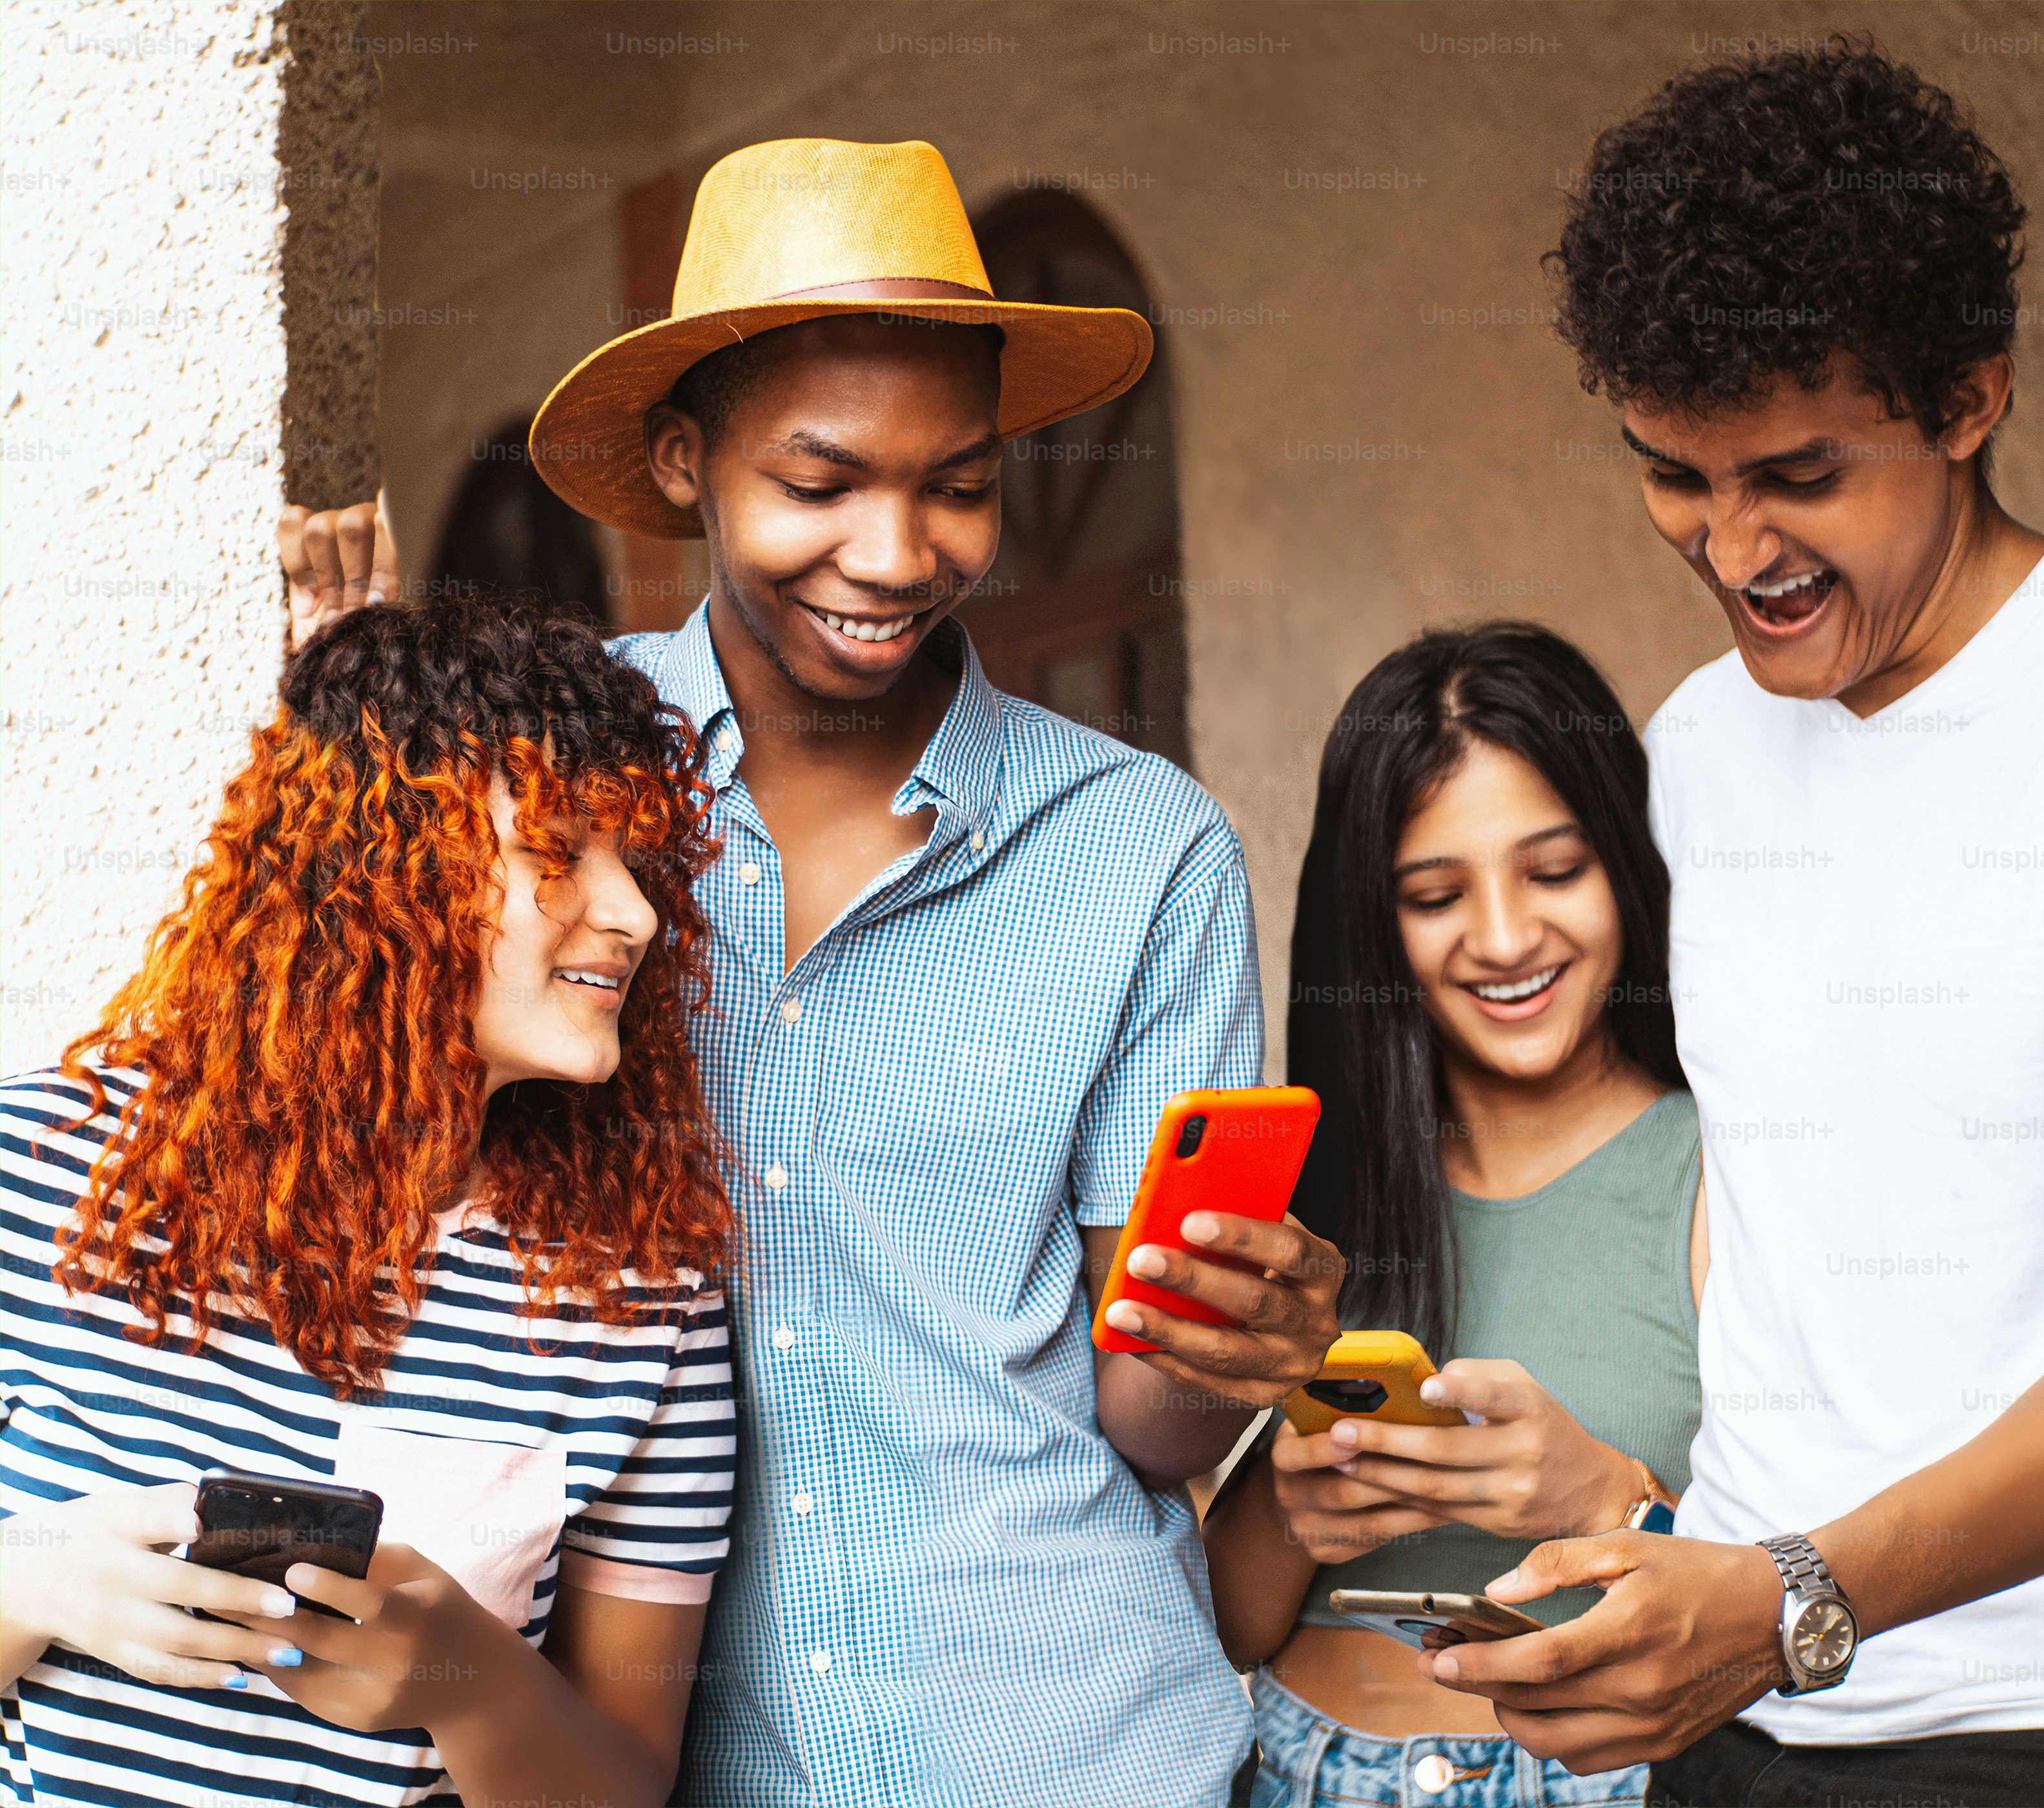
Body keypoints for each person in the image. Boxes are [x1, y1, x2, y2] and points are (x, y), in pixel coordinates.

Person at [283, 136, 1342, 1807]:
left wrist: (1233, 1352)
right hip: (664, 1760)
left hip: (1074, 1752)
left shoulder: (1146, 857)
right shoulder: (548, 795)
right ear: (691, 461)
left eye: (962, 482)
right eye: (821, 481)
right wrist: (371, 749)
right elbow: (359, 1098)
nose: (899, 550)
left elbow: (1143, 1427)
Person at [1423, 41, 2044, 1808]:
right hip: (1748, 1717)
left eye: (1795, 474)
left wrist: (1793, 1597)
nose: (1730, 546)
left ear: (1968, 400)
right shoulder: (1699, 745)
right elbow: (1773, 1223)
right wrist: (1647, 1526)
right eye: (1673, 478)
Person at [0, 599, 737, 1807]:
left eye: (634, 860)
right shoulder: (35, 1169)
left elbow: (625, 1783)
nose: (635, 915)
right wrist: (28, 1580)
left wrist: (471, 1682)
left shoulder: (641, 1298)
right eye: (560, 853)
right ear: (384, 871)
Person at [1206, 625, 1704, 1807]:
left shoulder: (1722, 1177)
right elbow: (1216, 1627)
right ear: (1376, 924)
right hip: (1303, 1767)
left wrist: (1614, 1502)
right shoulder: (1320, 1205)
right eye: (1437, 895)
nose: (1503, 939)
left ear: (1625, 867)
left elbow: (1820, 1612)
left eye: (1554, 872)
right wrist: (1290, 1502)